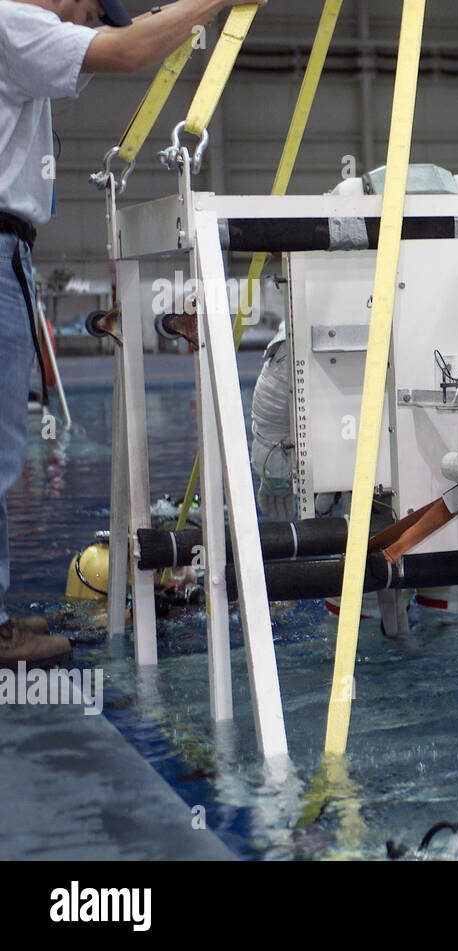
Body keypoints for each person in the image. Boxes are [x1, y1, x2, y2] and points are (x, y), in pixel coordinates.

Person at [0, 0, 264, 665]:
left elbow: (122, 46)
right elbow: (127, 52)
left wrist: (170, 18)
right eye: (90, 15)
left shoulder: (24, 47)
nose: (88, 33)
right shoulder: (10, 20)